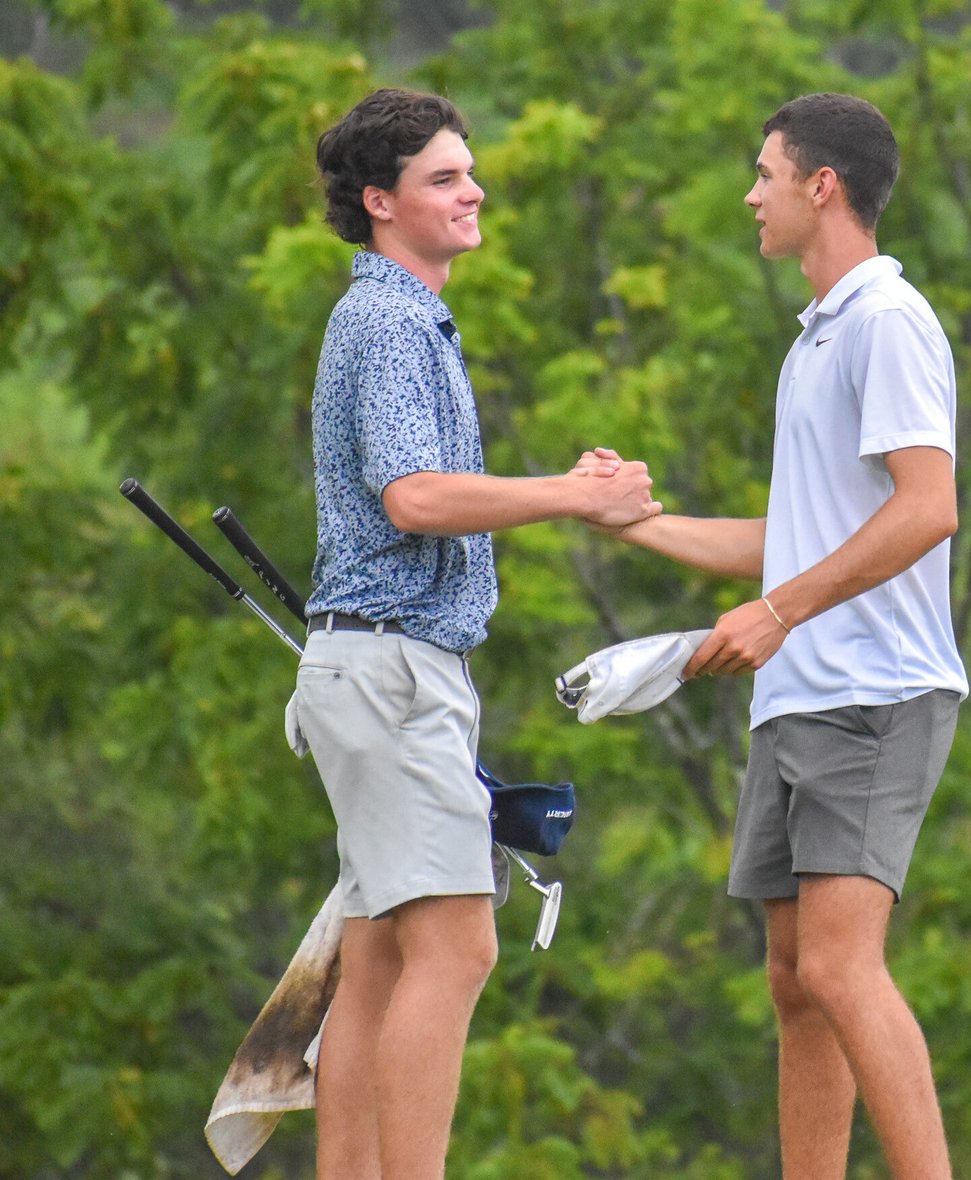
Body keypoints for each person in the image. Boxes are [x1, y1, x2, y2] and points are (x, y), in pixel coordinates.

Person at [585, 93, 968, 1178]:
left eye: (763, 172)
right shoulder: (814, 339)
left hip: (875, 691)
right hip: (799, 694)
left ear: (821, 187)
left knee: (844, 969)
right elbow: (794, 536)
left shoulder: (887, 320)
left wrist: (780, 609)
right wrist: (638, 519)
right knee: (795, 978)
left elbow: (926, 505)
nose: (749, 193)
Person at [291, 88, 661, 1180]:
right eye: (444, 178)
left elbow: (422, 490)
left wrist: (565, 489)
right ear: (380, 201)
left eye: (468, 171)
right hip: (396, 669)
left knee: (375, 957)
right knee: (457, 945)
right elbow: (413, 497)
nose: (473, 190)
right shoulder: (393, 319)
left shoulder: (396, 315)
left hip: (376, 665)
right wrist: (570, 495)